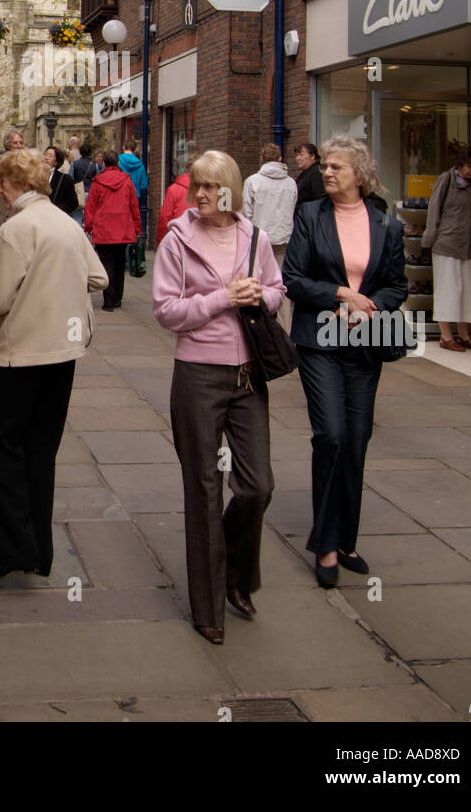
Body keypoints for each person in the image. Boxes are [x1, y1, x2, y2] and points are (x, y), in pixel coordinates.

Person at [153, 149, 283, 644]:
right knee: (204, 489)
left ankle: (235, 572)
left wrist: (259, 295)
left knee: (257, 485)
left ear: (230, 189)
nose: (201, 195)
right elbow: (166, 311)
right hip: (198, 375)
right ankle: (208, 609)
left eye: (211, 187)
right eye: (196, 187)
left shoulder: (256, 238)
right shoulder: (177, 241)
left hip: (248, 375)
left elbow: (277, 289)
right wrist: (221, 298)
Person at [283, 135, 407, 589]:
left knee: (357, 439)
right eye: (326, 167)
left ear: (360, 175)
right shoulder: (310, 216)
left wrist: (368, 305)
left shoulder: (386, 226)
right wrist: (339, 293)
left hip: (364, 343)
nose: (327, 172)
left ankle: (346, 539)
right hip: (319, 341)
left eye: (337, 167)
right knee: (331, 434)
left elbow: (398, 287)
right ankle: (326, 543)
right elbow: (292, 278)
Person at [0, 147, 108, 582]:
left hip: (22, 354)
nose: (0, 188)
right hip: (64, 353)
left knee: (3, 449)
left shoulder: (17, 228)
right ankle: (41, 552)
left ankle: (12, 551)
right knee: (41, 451)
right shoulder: (65, 224)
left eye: (4, 181)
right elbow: (99, 278)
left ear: (18, 184)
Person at [421, 147, 471, 352]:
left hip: (468, 246)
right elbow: (434, 210)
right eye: (469, 166)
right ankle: (445, 336)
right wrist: (428, 241)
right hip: (446, 244)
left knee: (466, 292)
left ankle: (464, 335)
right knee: (447, 290)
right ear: (460, 165)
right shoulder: (446, 180)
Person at [242, 143, 298, 332]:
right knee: (281, 285)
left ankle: (260, 327)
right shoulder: (291, 183)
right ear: (280, 159)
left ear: (261, 159)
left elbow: (246, 213)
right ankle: (285, 330)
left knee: (257, 283)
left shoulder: (253, 181)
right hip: (284, 239)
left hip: (259, 239)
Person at [83, 150, 140, 311]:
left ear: (104, 163)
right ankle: (117, 298)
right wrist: (137, 227)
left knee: (106, 264)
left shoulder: (98, 182)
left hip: (103, 228)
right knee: (120, 264)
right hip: (123, 227)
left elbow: (91, 207)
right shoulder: (127, 181)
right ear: (117, 163)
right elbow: (134, 205)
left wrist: (89, 226)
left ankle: (108, 301)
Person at [156, 145, 197, 244]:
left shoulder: (174, 189)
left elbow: (164, 218)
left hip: (178, 240)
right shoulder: (207, 191)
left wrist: (162, 243)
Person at [44, 146, 80, 217]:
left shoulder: (65, 179)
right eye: (45, 154)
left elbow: (73, 203)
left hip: (55, 218)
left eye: (50, 156)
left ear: (56, 162)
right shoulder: (35, 177)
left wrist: (56, 209)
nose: (46, 158)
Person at [294, 141, 325, 211]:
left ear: (312, 156)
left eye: (301, 155)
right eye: (297, 155)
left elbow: (319, 198)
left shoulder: (316, 172)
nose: (297, 158)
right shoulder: (306, 173)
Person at [69, 141, 94, 227]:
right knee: (90, 216)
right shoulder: (94, 165)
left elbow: (70, 178)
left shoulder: (74, 164)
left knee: (77, 217)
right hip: (90, 193)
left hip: (78, 193)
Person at [119, 138, 148, 204]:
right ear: (134, 149)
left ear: (123, 147)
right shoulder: (140, 165)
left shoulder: (118, 162)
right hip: (135, 195)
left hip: (121, 194)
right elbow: (144, 184)